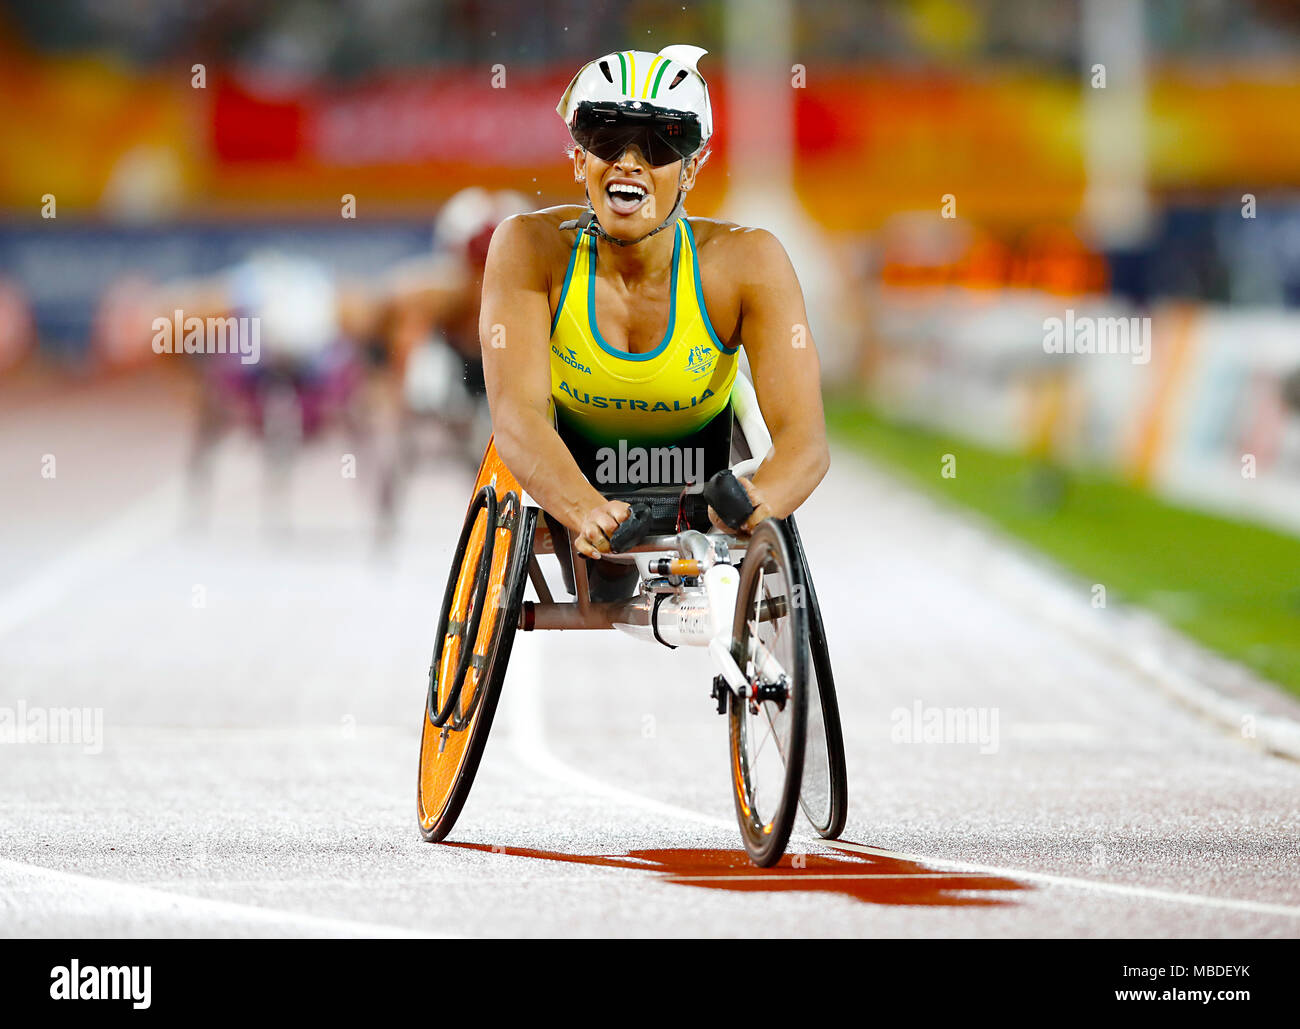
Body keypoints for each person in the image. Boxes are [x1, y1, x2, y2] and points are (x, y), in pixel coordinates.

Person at [479, 44, 829, 582]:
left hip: (707, 477)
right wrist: (582, 509)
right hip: (581, 478)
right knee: (607, 587)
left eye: (658, 142)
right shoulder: (527, 248)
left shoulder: (747, 261)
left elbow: (805, 442)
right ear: (578, 159)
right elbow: (516, 416)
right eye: (609, 137)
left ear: (691, 170)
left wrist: (763, 504)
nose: (629, 161)